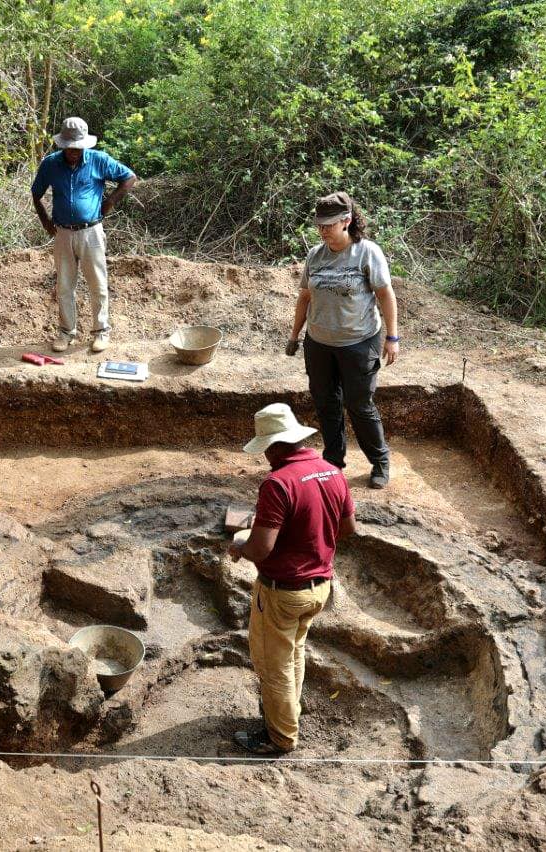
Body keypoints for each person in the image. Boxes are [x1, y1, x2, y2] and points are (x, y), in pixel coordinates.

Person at [229, 402, 355, 756]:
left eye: (265, 448)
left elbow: (262, 549)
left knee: (273, 666)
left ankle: (279, 737)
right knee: (293, 651)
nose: (265, 455)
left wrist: (240, 547)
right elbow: (347, 528)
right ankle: (286, 712)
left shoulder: (277, 484)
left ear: (273, 446)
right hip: (320, 586)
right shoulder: (331, 471)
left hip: (283, 592)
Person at [286, 191, 400, 489]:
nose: (323, 230)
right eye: (319, 225)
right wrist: (295, 334)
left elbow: (385, 295)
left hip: (359, 341)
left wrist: (392, 336)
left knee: (359, 404)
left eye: (329, 224)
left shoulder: (367, 252)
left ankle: (380, 462)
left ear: (347, 221)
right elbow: (305, 297)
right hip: (319, 343)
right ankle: (333, 460)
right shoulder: (315, 255)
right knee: (326, 402)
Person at [31, 116, 137, 354]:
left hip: (91, 231)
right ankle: (66, 332)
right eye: (70, 148)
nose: (74, 152)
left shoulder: (99, 161)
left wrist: (110, 201)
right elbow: (36, 193)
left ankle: (101, 332)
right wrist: (46, 222)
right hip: (63, 233)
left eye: (78, 148)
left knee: (97, 283)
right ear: (62, 145)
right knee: (65, 285)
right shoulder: (50, 164)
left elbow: (129, 177)